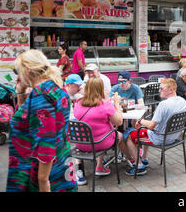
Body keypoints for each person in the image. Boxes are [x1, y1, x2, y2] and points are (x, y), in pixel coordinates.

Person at [7, 49, 77, 192]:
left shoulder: (41, 95)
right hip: (61, 163)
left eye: (19, 71)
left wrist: (43, 182)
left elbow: (46, 141)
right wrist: (21, 91)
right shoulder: (55, 88)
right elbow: (27, 118)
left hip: (43, 172)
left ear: (28, 71)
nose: (18, 76)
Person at [121, 79, 186, 175]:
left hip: (160, 138)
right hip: (174, 136)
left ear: (171, 89)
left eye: (161, 88)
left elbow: (152, 126)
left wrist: (139, 120)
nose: (159, 90)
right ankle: (144, 158)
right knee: (144, 129)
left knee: (128, 136)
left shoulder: (163, 104)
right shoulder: (182, 101)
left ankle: (139, 166)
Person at [73, 78, 123, 182]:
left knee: (96, 133)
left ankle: (88, 168)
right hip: (100, 143)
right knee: (119, 135)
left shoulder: (78, 103)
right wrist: (117, 104)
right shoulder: (105, 105)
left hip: (80, 143)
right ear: (101, 89)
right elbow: (119, 122)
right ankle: (101, 165)